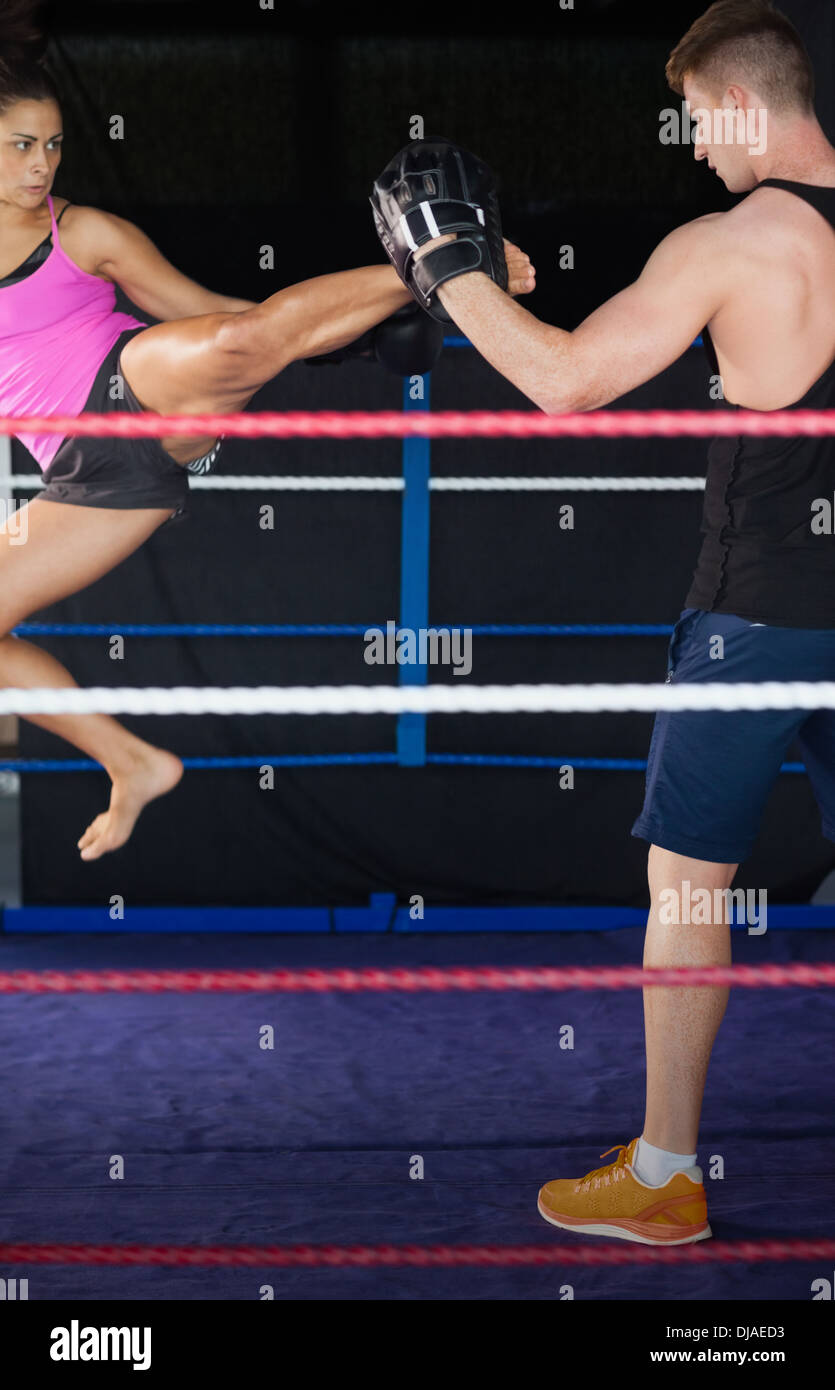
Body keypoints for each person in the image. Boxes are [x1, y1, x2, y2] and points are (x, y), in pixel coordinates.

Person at [373, 0, 835, 1243]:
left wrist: (449, 266)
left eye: (695, 119)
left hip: (760, 617)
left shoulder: (736, 240)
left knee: (686, 885)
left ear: (741, 104)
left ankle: (666, 1175)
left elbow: (564, 380)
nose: (691, 147)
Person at [0, 2, 536, 863]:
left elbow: (224, 317)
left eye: (54, 143)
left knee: (242, 342)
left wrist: (331, 341)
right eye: (21, 145)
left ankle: (448, 254)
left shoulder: (85, 233)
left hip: (129, 383)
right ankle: (132, 761)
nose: (43, 164)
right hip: (78, 477)